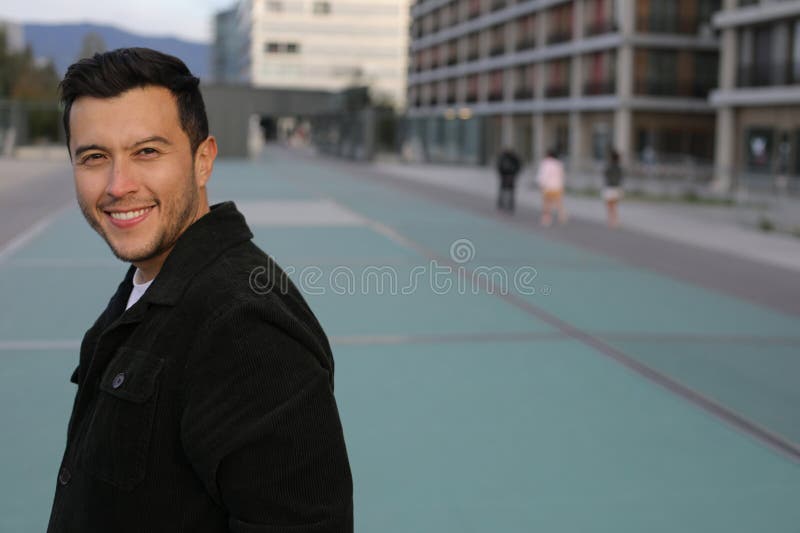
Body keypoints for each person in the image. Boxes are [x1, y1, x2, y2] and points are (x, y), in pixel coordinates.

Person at [48, 48, 353, 533]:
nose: (117, 185)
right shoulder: (149, 287)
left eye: (147, 151)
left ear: (203, 160)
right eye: (94, 157)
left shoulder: (244, 325)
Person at [535, 149, 567, 226]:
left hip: (548, 187)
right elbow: (562, 175)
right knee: (559, 203)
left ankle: (546, 219)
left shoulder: (545, 163)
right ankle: (562, 216)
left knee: (547, 203)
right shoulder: (558, 164)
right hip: (557, 186)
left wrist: (540, 184)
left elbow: (543, 175)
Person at [496, 147, 521, 212]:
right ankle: (502, 204)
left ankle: (508, 205)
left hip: (510, 176)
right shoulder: (503, 157)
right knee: (504, 191)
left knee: (509, 192)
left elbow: (518, 166)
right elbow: (499, 166)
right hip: (505, 176)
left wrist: (513, 175)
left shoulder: (513, 158)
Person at [603, 148, 624, 227]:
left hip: (609, 187)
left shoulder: (609, 167)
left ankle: (611, 220)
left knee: (609, 206)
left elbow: (606, 176)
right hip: (617, 188)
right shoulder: (619, 168)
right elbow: (621, 178)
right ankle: (615, 220)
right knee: (615, 206)